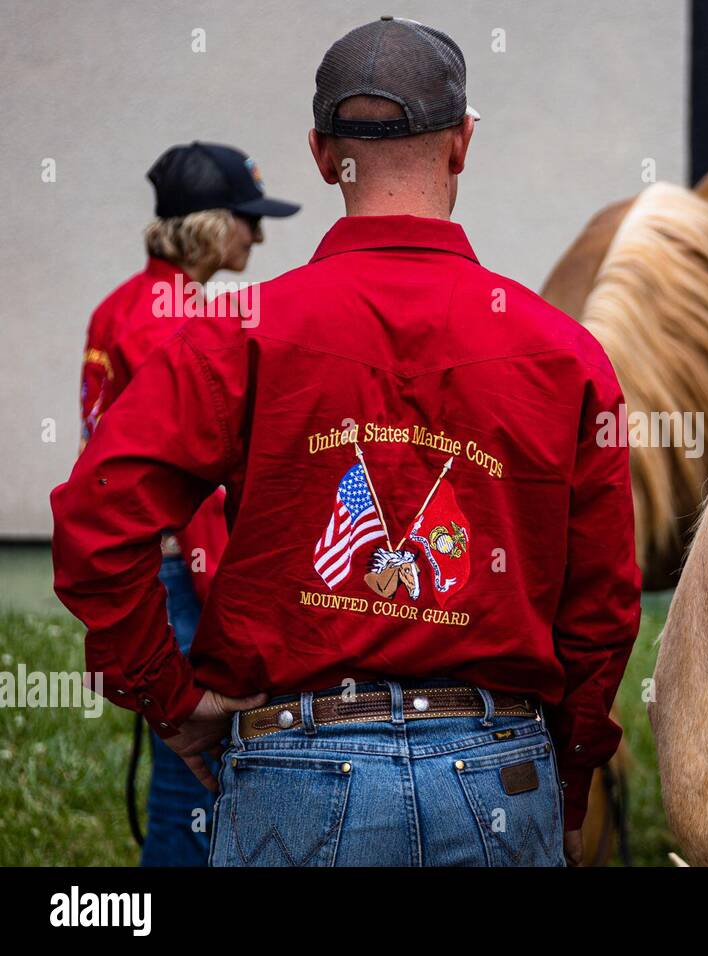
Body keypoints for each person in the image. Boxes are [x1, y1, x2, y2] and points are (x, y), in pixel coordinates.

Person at [51, 16, 640, 868]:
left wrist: (169, 701)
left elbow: (96, 522)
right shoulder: (565, 355)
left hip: (297, 761)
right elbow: (605, 607)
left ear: (324, 155)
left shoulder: (239, 332)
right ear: (463, 145)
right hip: (499, 774)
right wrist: (573, 772)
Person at [77, 141, 299, 866]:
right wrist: (230, 611)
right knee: (195, 795)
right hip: (182, 576)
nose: (258, 237)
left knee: (186, 788)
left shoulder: (122, 305)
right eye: (248, 219)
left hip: (149, 576)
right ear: (210, 223)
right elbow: (191, 492)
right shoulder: (176, 320)